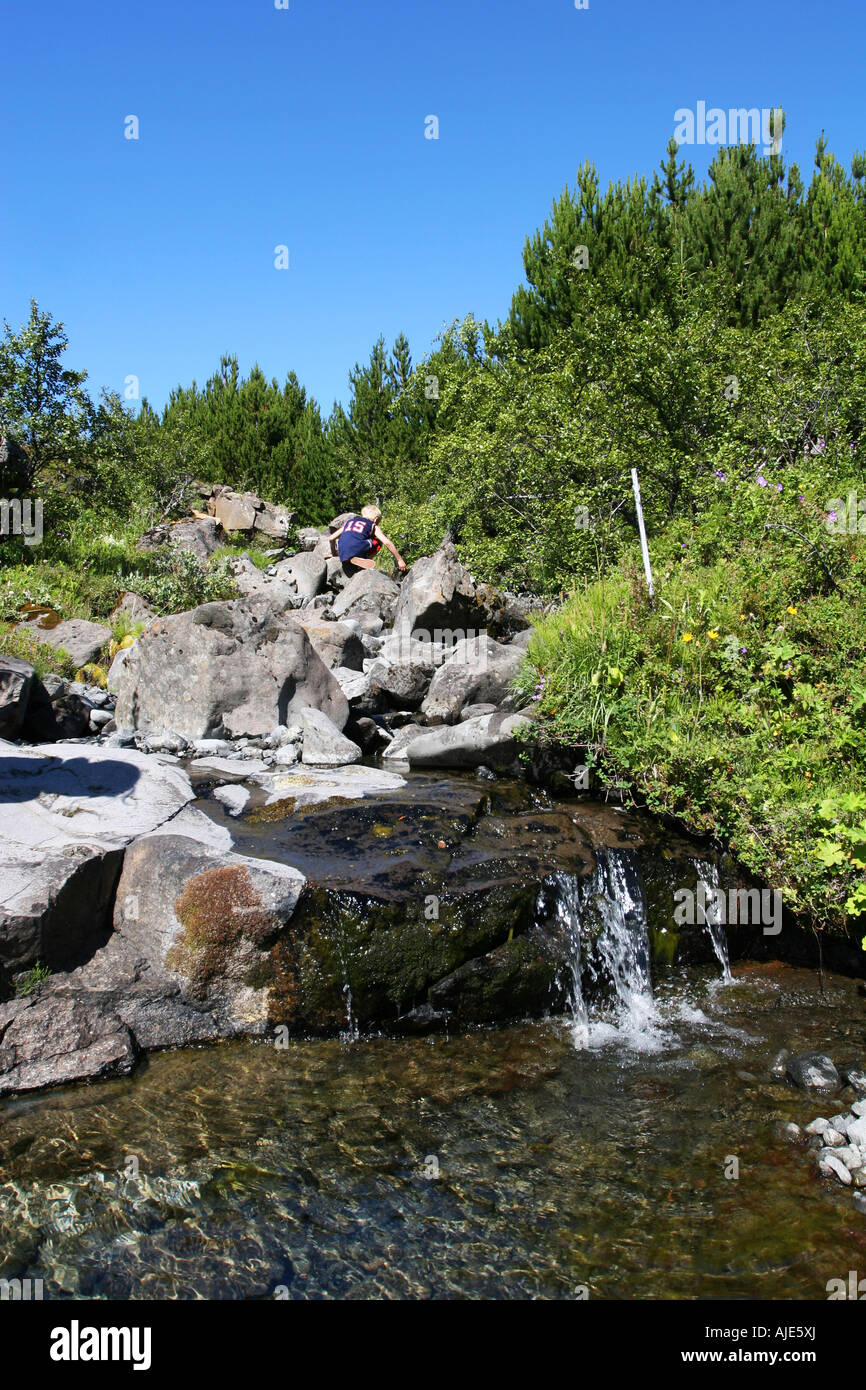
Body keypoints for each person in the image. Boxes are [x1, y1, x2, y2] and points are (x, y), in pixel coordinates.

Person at [330, 505, 407, 577]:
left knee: (356, 541)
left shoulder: (349, 522)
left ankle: (350, 559)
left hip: (342, 551)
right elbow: (387, 542)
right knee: (378, 542)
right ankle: (363, 560)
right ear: (376, 519)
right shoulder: (373, 525)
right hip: (356, 548)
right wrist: (399, 560)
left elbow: (331, 538)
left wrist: (334, 553)